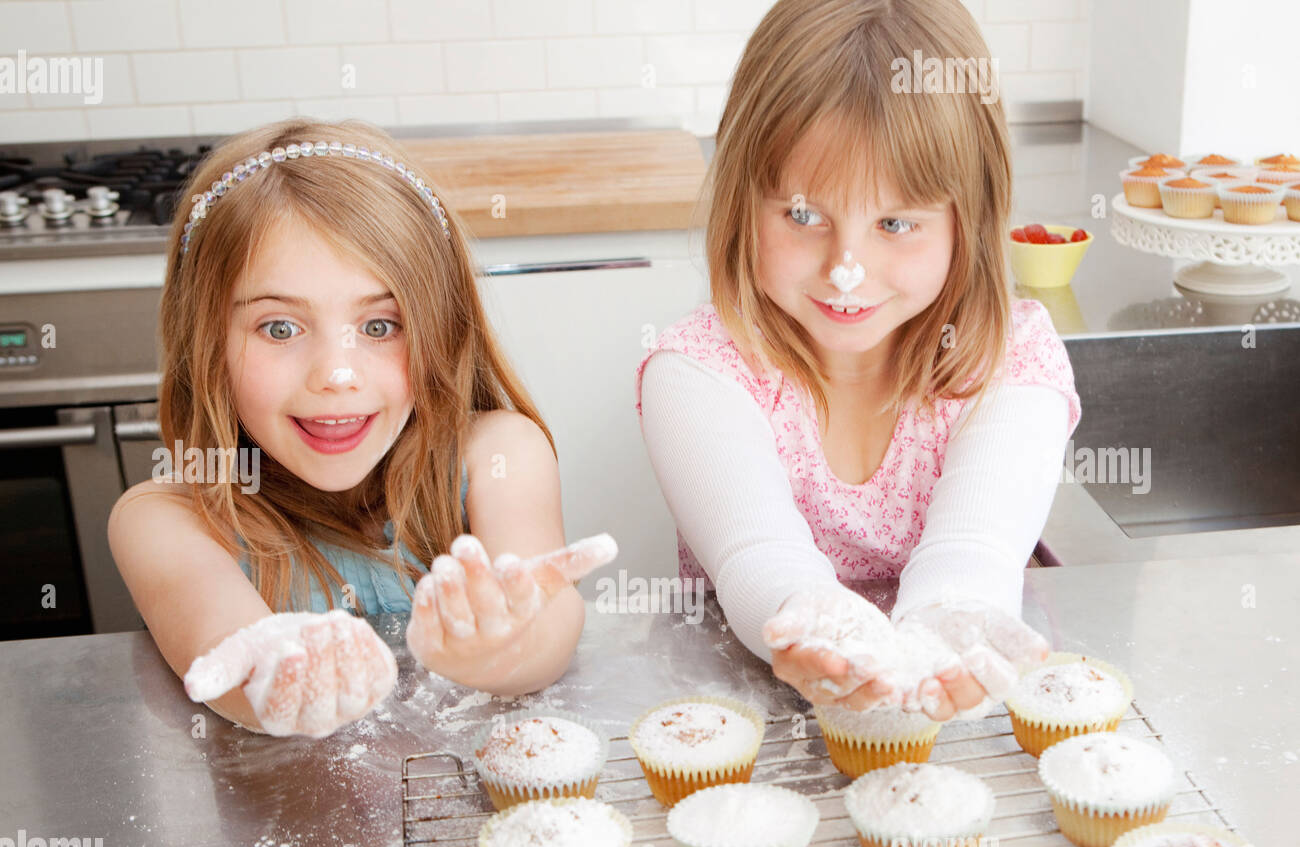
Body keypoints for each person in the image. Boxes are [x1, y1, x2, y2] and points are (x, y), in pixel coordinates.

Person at [637, 0, 1081, 722]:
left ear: (970, 216)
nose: (847, 269)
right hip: (756, 717)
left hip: (960, 713)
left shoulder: (1010, 364)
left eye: (895, 224)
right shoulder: (697, 372)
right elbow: (759, 559)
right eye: (805, 216)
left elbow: (973, 558)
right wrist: (819, 634)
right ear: (743, 199)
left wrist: (946, 632)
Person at [109, 119, 614, 737]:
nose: (336, 374)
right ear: (206, 342)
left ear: (441, 328)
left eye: (379, 326)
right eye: (279, 328)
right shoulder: (167, 519)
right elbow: (232, 656)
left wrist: (502, 647)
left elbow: (547, 634)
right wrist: (274, 681)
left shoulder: (497, 455)